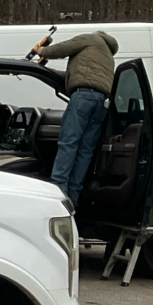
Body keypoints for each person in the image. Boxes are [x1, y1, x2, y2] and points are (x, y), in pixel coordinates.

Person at [33, 29, 120, 203]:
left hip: (82, 97)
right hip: (101, 102)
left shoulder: (90, 38)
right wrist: (45, 71)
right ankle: (73, 195)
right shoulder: (107, 55)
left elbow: (63, 48)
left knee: (68, 142)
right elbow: (74, 77)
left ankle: (58, 188)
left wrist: (42, 51)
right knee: (85, 149)